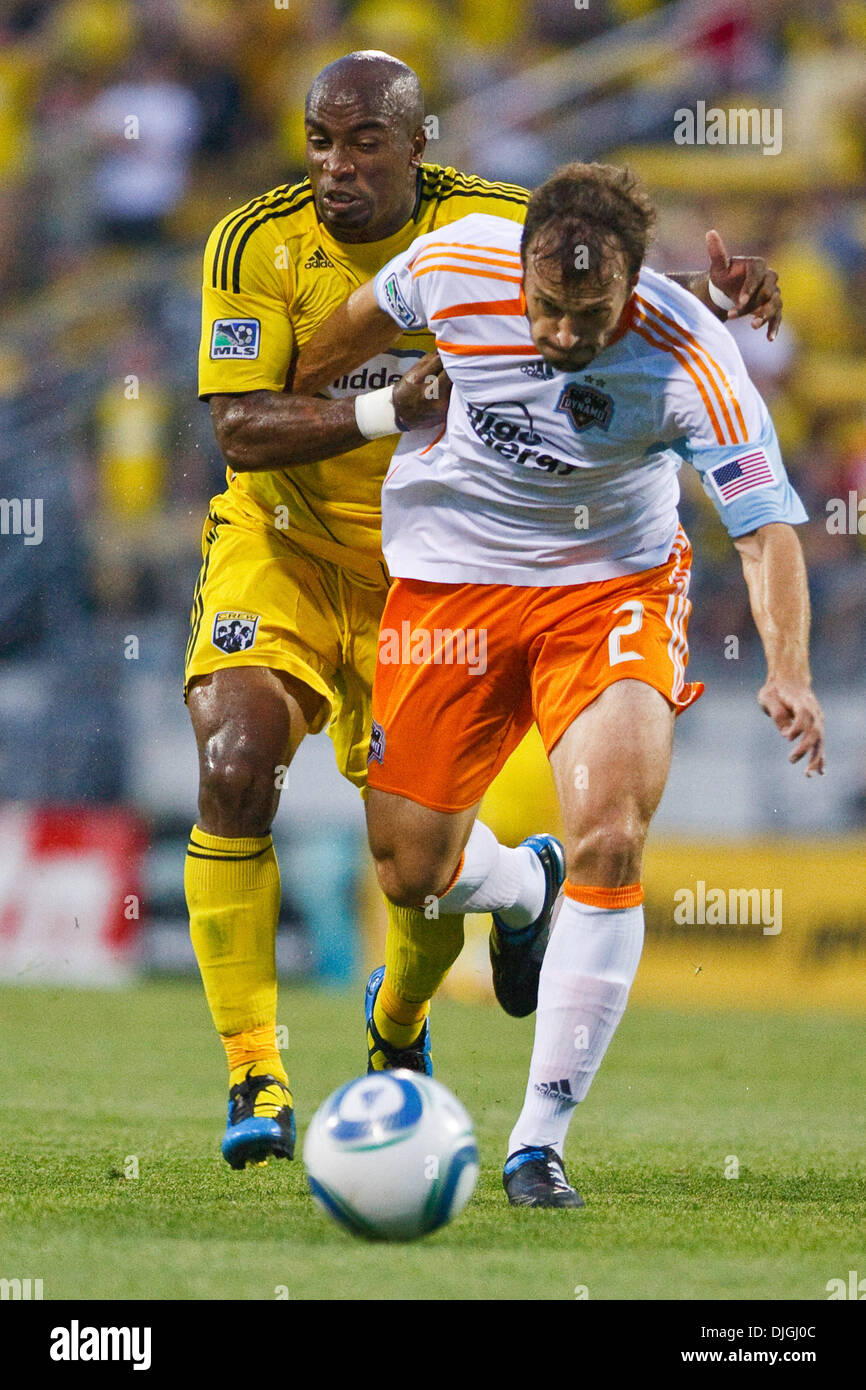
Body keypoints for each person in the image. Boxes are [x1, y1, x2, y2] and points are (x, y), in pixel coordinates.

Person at [187, 47, 784, 1171]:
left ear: (421, 146)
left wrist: (716, 297)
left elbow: (597, 288)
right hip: (286, 543)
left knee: (414, 864)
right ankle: (254, 1074)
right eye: (320, 140)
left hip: (449, 573)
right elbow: (235, 428)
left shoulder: (488, 225)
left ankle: (413, 1009)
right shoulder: (251, 242)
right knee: (233, 762)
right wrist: (385, 411)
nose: (336, 166)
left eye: (365, 142)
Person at [291, 160, 825, 1207]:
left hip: (607, 585)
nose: (563, 333)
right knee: (409, 873)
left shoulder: (693, 361)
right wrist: (309, 404)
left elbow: (763, 533)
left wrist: (788, 670)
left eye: (589, 313)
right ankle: (524, 886)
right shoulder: (448, 266)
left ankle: (537, 1142)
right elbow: (338, 336)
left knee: (612, 833)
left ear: (632, 286)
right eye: (545, 307)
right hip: (450, 579)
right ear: (519, 268)